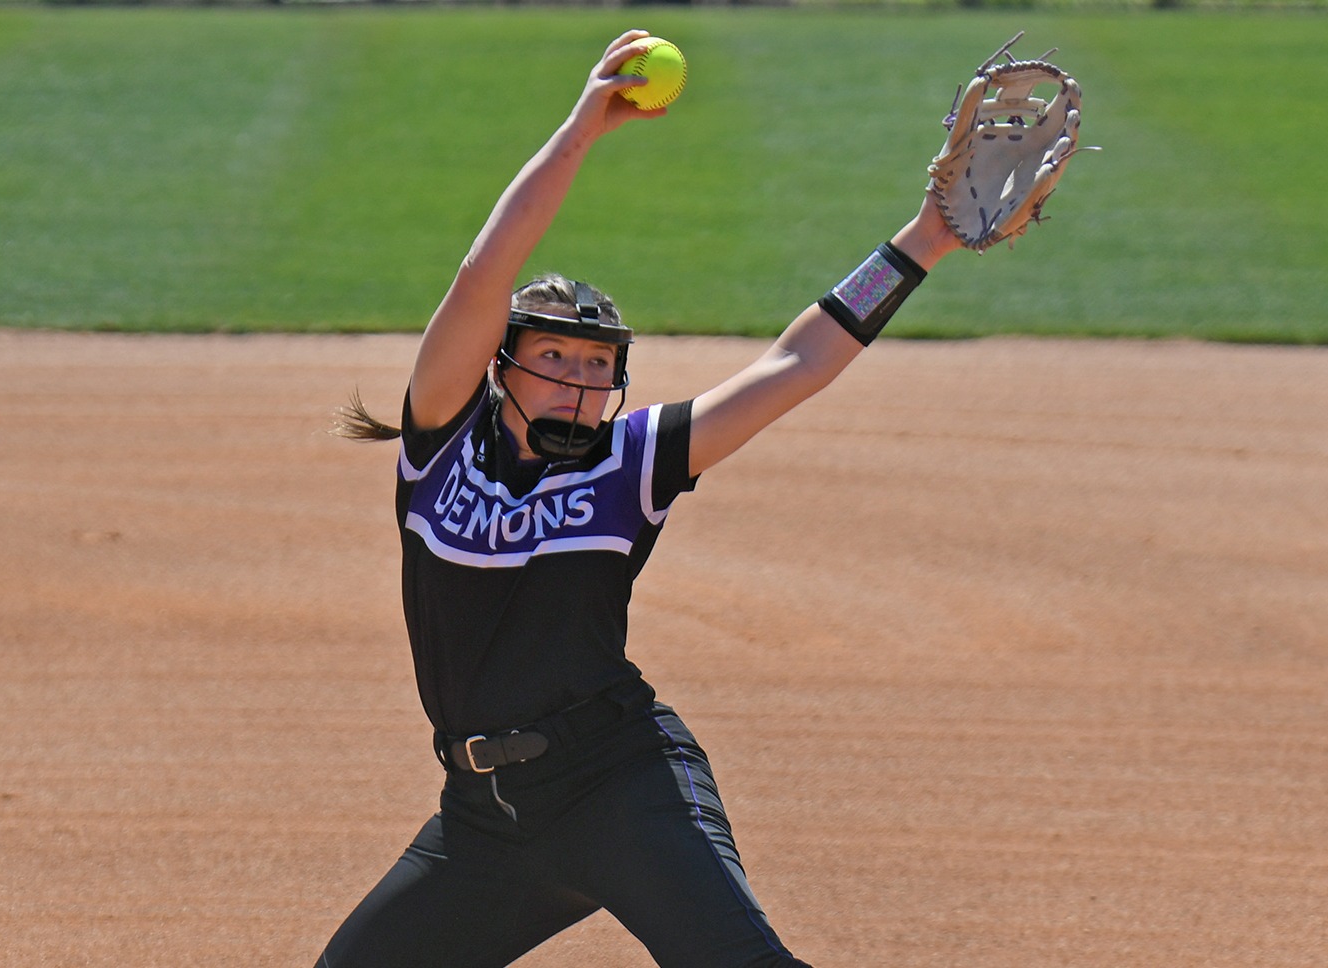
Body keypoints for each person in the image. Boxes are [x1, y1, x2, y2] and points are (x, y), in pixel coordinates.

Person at [321, 29, 962, 968]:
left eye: (595, 365)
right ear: (501, 367)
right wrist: (584, 128)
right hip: (485, 825)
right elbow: (485, 271)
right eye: (553, 358)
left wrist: (926, 240)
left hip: (620, 787)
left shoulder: (634, 459)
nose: (578, 381)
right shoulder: (440, 446)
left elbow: (799, 360)